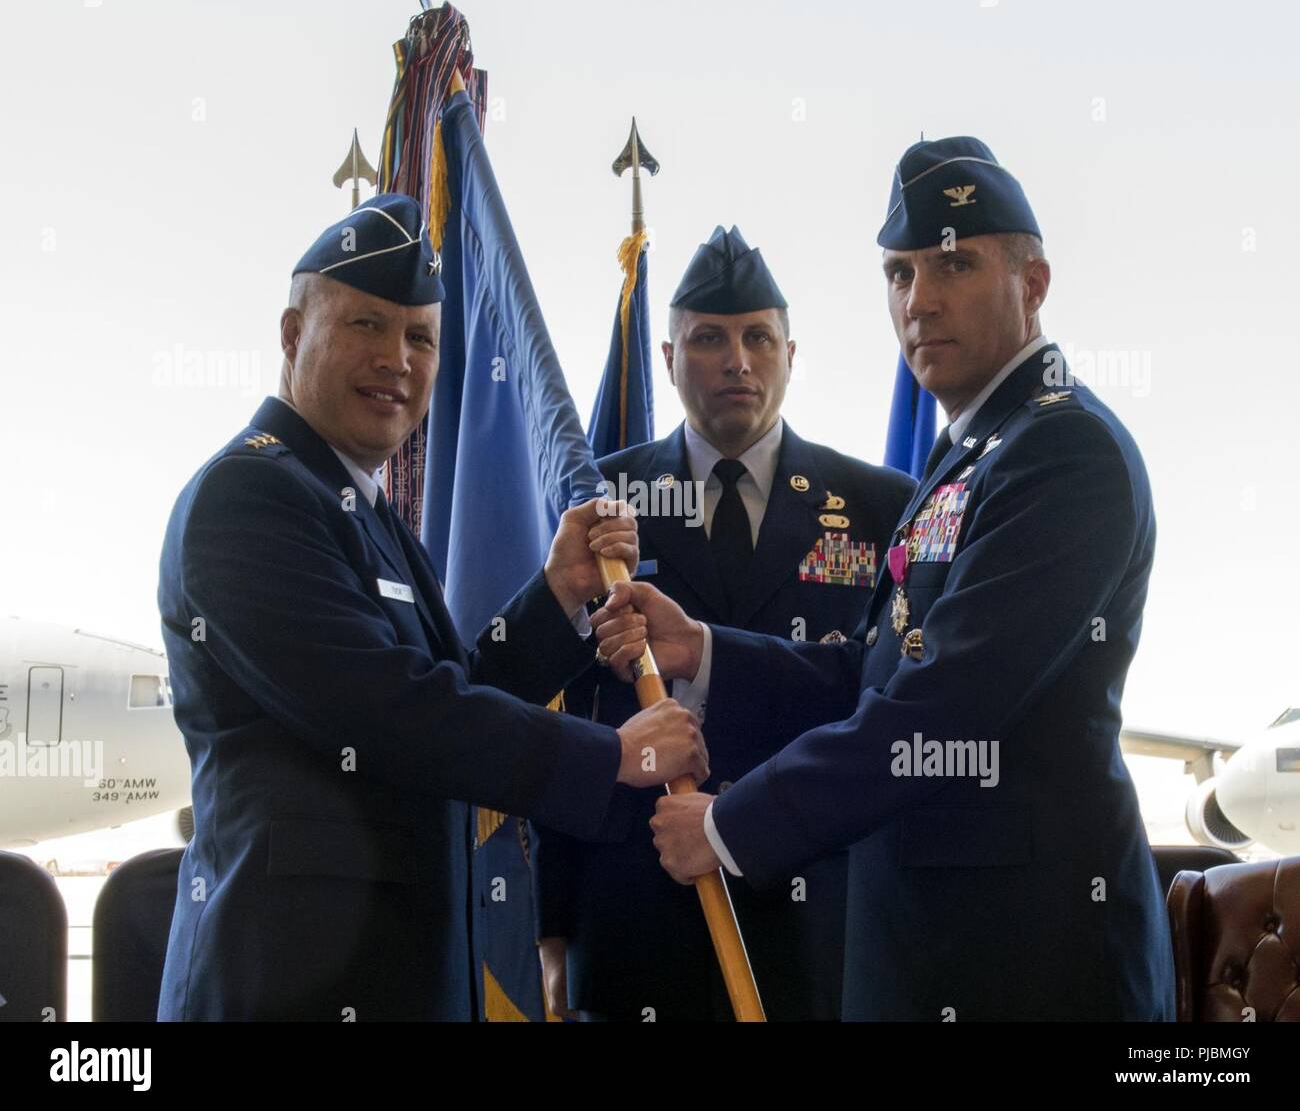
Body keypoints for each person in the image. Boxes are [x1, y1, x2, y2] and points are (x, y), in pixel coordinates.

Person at [600, 138, 1176, 1021]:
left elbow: (944, 703)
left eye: (953, 264)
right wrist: (707, 651)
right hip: (929, 947)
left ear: (1035, 283)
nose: (921, 300)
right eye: (899, 274)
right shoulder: (971, 451)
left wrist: (728, 825)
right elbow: (876, 669)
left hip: (1028, 962)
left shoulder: (1063, 450)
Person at [155, 193, 707, 1021]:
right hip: (289, 985)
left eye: (420, 337)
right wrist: (610, 757)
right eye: (366, 326)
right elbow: (385, 711)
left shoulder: (361, 507)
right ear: (292, 334)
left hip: (402, 979)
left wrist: (556, 594)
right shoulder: (251, 496)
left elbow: (445, 682)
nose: (398, 359)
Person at [535, 226, 914, 1021]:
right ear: (669, 358)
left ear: (789, 353)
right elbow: (562, 709)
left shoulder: (883, 504)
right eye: (708, 339)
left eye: (757, 338)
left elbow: (886, 705)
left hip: (819, 911)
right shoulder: (602, 502)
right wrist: (552, 924)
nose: (736, 360)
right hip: (637, 911)